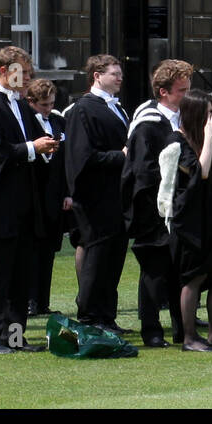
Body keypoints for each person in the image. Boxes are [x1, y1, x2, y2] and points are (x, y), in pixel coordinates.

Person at [0, 45, 56, 354]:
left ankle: (15, 336)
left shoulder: (21, 107)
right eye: (22, 72)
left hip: (24, 204)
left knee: (21, 278)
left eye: (29, 72)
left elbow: (33, 148)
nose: (27, 77)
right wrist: (33, 149)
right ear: (4, 72)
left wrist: (44, 150)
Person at [157, 90, 212, 351]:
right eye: (208, 114)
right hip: (189, 222)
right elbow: (199, 173)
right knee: (194, 276)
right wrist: (211, 137)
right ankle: (189, 337)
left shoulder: (202, 139)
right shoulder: (177, 141)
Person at [121, 59, 191, 348]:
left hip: (181, 208)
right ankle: (151, 329)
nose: (186, 96)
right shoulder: (148, 123)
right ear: (163, 92)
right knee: (154, 270)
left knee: (179, 269)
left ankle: (181, 327)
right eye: (181, 90)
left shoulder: (184, 119)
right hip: (153, 207)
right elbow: (141, 169)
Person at [63, 54, 131, 332]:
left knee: (113, 259)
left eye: (120, 73)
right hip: (96, 197)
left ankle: (107, 316)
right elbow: (83, 158)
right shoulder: (84, 109)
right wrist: (123, 156)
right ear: (97, 76)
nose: (120, 77)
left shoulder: (117, 108)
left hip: (116, 195)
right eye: (114, 73)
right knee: (98, 257)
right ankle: (91, 317)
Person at [23, 78, 68, 320]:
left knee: (49, 248)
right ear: (31, 102)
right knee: (32, 248)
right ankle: (30, 300)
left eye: (51, 104)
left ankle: (43, 301)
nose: (47, 109)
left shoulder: (59, 121)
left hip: (54, 192)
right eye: (43, 105)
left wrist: (67, 192)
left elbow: (66, 158)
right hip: (33, 192)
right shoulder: (26, 122)